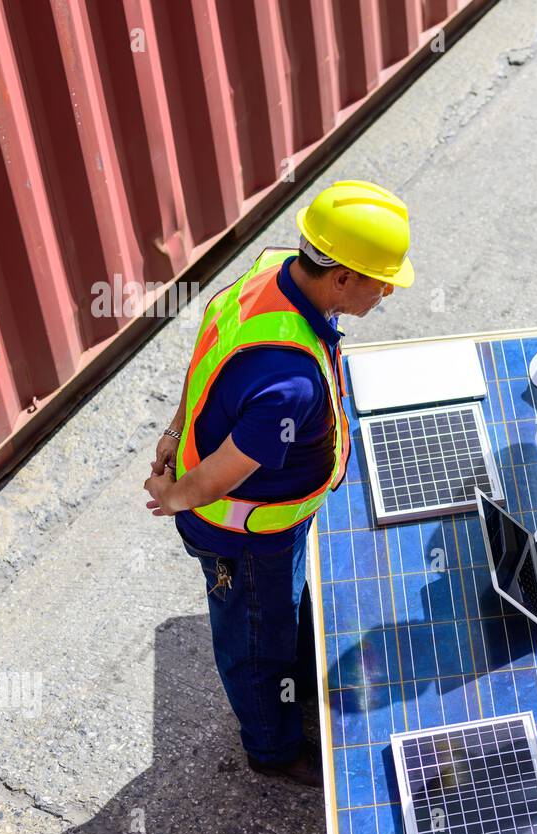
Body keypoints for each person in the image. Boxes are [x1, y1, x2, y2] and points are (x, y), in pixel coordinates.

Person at [143, 181, 414, 787]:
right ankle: (273, 749)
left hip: (272, 528)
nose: (387, 289)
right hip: (249, 540)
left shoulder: (267, 275)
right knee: (257, 647)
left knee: (279, 616)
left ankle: (294, 677)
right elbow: (219, 476)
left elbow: (205, 354)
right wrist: (174, 496)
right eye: (378, 277)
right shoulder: (289, 383)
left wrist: (174, 428)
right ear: (339, 278)